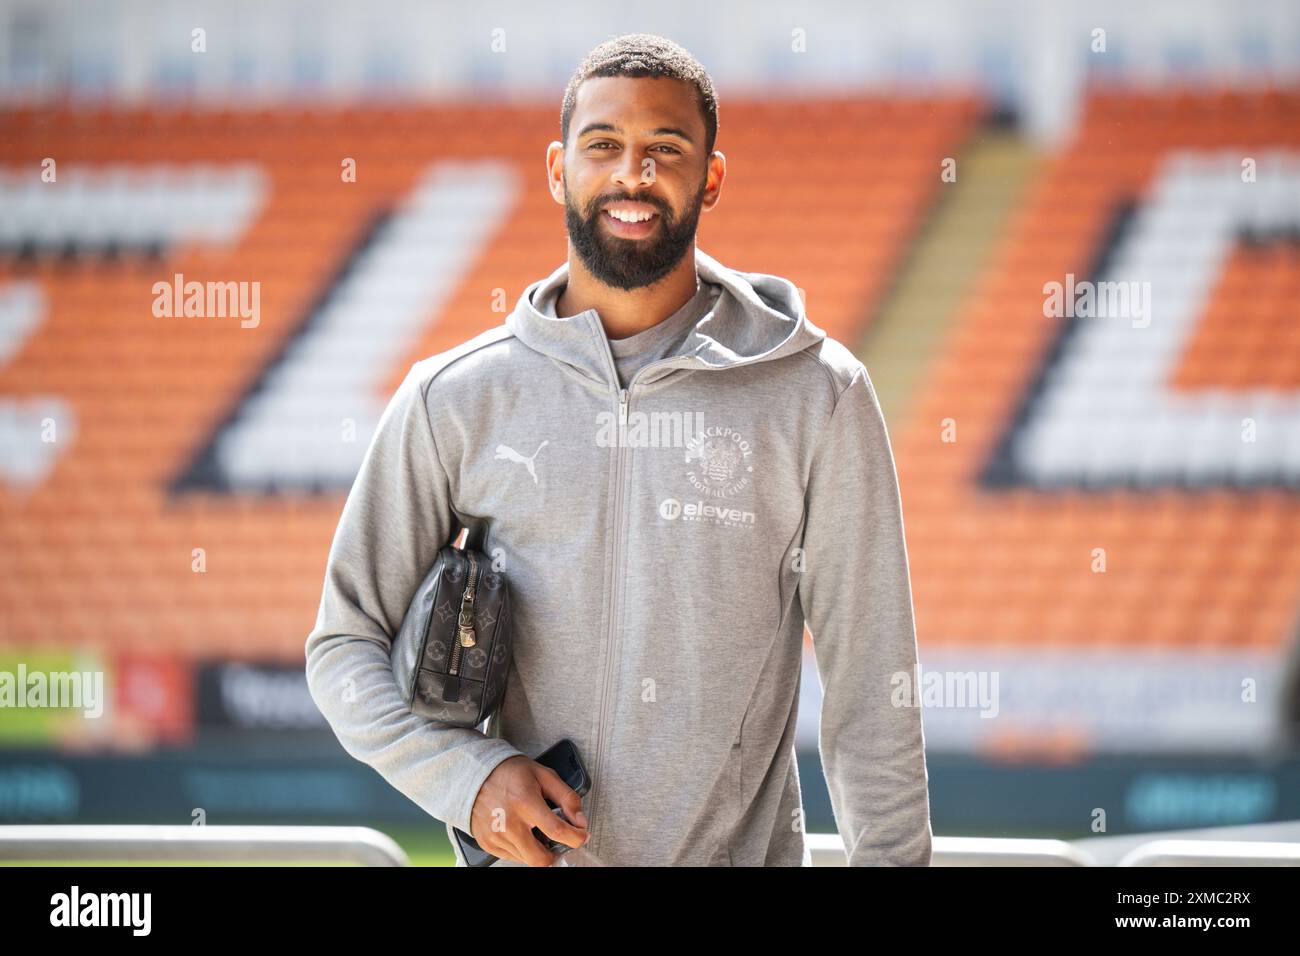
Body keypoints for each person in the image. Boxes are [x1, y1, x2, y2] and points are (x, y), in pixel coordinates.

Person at [305, 32, 932, 867]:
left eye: (665, 149)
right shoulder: (453, 397)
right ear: (559, 170)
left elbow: (872, 695)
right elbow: (344, 644)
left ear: (711, 178)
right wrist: (469, 779)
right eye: (604, 146)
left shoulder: (818, 394)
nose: (632, 176)